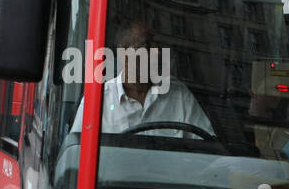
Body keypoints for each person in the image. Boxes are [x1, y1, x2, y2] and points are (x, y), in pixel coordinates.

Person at [70, 20, 213, 139]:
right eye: (147, 46)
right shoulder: (98, 100)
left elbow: (206, 146)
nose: (157, 51)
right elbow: (77, 156)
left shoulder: (178, 94)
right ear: (124, 55)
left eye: (156, 44)